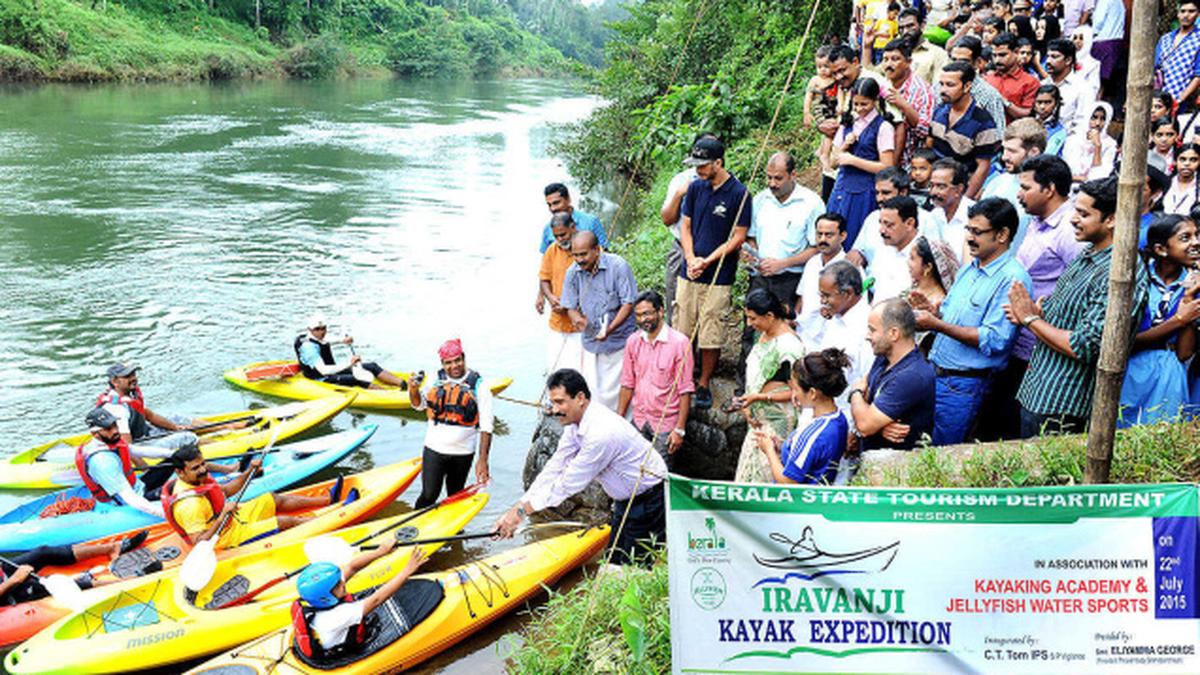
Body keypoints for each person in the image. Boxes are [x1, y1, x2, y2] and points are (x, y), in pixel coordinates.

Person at [1007, 178, 1149, 437]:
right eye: (1075, 210)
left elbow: (1085, 346)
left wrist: (1030, 320)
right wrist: (1038, 314)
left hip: (1064, 403)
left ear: (1112, 219)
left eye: (1083, 214)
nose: (1073, 219)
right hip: (1040, 390)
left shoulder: (1121, 272)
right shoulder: (1087, 253)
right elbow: (1067, 319)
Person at [494, 369, 668, 567]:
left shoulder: (600, 434)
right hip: (624, 500)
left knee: (634, 567)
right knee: (614, 560)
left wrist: (520, 514)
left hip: (648, 499)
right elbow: (555, 466)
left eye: (560, 402)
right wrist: (518, 507)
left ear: (580, 398)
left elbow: (567, 484)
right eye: (552, 402)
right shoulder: (576, 424)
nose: (554, 409)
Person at [978, 153, 1082, 440]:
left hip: (1042, 345)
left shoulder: (1069, 232)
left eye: (1026, 188)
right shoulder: (1035, 221)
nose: (1019, 194)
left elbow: (1078, 289)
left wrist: (1039, 313)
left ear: (1049, 190)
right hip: (1019, 338)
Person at [913, 198, 1032, 445]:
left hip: (965, 385)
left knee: (946, 455)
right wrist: (934, 314)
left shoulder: (1012, 278)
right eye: (968, 229)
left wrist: (937, 325)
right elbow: (948, 315)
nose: (969, 238)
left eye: (977, 232)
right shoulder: (970, 269)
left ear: (1002, 235)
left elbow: (995, 340)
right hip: (937, 374)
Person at [675, 136, 751, 409]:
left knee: (711, 330)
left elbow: (738, 236)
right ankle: (683, 378)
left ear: (718, 163)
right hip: (689, 271)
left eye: (703, 165)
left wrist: (708, 260)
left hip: (718, 274)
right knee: (683, 327)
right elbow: (685, 226)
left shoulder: (739, 193)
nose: (698, 170)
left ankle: (704, 382)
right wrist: (691, 257)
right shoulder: (695, 188)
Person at [162, 443, 342, 547]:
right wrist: (224, 515)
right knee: (284, 522)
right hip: (224, 538)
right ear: (180, 472)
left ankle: (326, 500)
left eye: (203, 464)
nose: (202, 470)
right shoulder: (189, 506)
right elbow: (199, 541)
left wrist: (249, 472)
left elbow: (225, 491)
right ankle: (334, 520)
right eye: (196, 468)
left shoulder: (198, 480)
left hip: (231, 520)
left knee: (272, 498)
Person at [1120, 215, 1200, 427]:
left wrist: (1190, 297)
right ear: (1161, 249)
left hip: (1167, 373)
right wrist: (1178, 320)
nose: (1196, 242)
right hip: (1130, 368)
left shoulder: (1194, 284)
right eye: (1185, 238)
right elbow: (1124, 341)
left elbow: (1184, 353)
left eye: (1197, 235)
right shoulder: (1137, 278)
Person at [730, 289, 807, 484]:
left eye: (753, 318)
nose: (750, 324)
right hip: (758, 422)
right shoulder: (763, 334)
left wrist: (761, 398)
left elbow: (798, 392)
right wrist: (748, 405)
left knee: (765, 478)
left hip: (778, 423)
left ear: (770, 316)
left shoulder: (790, 346)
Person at [293, 545, 428, 655]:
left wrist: (380, 552)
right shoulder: (336, 616)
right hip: (340, 649)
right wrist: (407, 571)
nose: (342, 583)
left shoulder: (317, 599)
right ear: (325, 597)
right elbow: (377, 599)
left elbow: (352, 567)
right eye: (338, 585)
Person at [407, 339, 494, 508]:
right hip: (434, 449)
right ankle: (413, 526)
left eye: (457, 360)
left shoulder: (480, 386)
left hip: (463, 453)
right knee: (429, 494)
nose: (454, 366)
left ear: (464, 358)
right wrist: (413, 390)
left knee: (455, 496)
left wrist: (482, 460)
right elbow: (418, 406)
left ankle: (454, 532)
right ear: (442, 364)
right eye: (448, 363)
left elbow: (486, 426)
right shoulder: (434, 379)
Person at [560, 231, 638, 411]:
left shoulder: (618, 266)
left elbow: (628, 303)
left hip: (619, 340)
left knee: (620, 388)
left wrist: (609, 329)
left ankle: (621, 426)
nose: (579, 259)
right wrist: (577, 319)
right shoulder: (572, 272)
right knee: (593, 390)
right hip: (590, 341)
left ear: (597, 250)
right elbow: (569, 306)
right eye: (575, 255)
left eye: (583, 254)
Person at [752, 349, 852, 485]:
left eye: (795, 389)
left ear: (812, 393)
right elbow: (812, 456)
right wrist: (783, 447)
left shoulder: (812, 435)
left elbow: (788, 483)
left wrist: (769, 450)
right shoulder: (839, 419)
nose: (793, 395)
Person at [618, 290, 695, 465]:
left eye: (647, 313)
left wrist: (680, 430)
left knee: (660, 475)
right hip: (639, 420)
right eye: (638, 315)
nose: (642, 320)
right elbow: (627, 383)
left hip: (665, 425)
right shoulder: (633, 341)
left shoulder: (680, 343)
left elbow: (685, 389)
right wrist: (620, 420)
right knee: (635, 472)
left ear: (661, 312)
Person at [849, 298, 937, 450]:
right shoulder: (883, 357)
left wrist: (854, 392)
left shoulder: (912, 376)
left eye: (872, 330)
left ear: (894, 334)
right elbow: (868, 399)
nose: (867, 336)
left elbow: (864, 425)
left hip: (897, 468)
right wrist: (879, 426)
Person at [746, 151, 823, 309]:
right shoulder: (760, 200)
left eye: (778, 178)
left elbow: (817, 248)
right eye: (769, 177)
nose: (772, 183)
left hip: (792, 279)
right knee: (753, 327)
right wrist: (753, 255)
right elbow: (751, 237)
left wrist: (783, 264)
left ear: (792, 175)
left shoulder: (811, 203)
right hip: (760, 277)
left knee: (785, 327)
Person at [76, 406, 185, 518]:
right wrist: (165, 514)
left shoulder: (111, 441)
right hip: (130, 500)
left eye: (115, 425)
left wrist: (174, 454)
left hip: (137, 486)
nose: (115, 431)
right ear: (95, 434)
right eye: (108, 429)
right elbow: (131, 499)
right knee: (183, 487)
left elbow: (138, 450)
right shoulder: (103, 462)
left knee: (175, 459)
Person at [829, 77, 897, 248]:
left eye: (864, 104)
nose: (859, 109)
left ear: (875, 101)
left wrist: (853, 160)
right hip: (842, 187)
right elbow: (833, 161)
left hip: (865, 190)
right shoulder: (847, 123)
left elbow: (887, 166)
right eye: (856, 104)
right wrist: (845, 145)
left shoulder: (883, 127)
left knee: (856, 238)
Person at [0, 532, 147, 605]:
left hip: (3, 573)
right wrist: (14, 580)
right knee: (61, 585)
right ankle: (134, 579)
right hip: (6, 592)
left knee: (43, 552)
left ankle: (113, 548)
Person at [660, 133, 714, 322]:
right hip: (681, 249)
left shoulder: (727, 185)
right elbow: (667, 219)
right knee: (676, 302)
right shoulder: (681, 180)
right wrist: (680, 194)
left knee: (707, 309)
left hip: (711, 252)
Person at [929, 61, 1001, 199]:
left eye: (950, 85)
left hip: (959, 188)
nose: (943, 90)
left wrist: (965, 199)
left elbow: (983, 167)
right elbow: (930, 144)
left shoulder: (983, 122)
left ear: (967, 86)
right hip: (935, 185)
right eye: (941, 84)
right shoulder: (939, 111)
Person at [813, 261, 874, 411]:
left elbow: (869, 381)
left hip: (848, 416)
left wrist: (854, 430)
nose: (823, 302)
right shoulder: (835, 317)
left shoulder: (867, 326)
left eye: (827, 296)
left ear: (847, 294)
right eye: (821, 295)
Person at [97, 362, 198, 451]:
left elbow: (150, 415)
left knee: (178, 419)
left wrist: (175, 427)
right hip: (140, 444)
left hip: (146, 431)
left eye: (133, 374)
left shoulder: (128, 394)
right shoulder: (117, 409)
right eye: (127, 376)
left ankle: (213, 429)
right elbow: (127, 446)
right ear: (115, 382)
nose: (133, 378)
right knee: (187, 437)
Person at [294, 316, 407, 389]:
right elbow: (323, 371)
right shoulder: (308, 347)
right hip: (321, 378)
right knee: (358, 378)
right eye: (317, 329)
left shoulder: (314, 337)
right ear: (310, 330)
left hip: (332, 371)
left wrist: (342, 341)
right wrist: (350, 364)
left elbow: (323, 341)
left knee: (372, 366)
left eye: (323, 328)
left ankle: (402, 384)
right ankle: (391, 395)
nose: (322, 332)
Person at [982, 117, 1046, 241]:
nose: (1004, 157)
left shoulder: (1046, 194)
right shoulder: (997, 183)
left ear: (1034, 152)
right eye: (1004, 149)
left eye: (1012, 151)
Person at [876, 38, 937, 166]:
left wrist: (904, 105)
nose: (888, 65)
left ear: (908, 62)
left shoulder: (921, 90)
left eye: (895, 59)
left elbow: (925, 131)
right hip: (881, 158)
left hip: (909, 164)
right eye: (885, 59)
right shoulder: (882, 85)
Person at [537, 212, 584, 373]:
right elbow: (544, 278)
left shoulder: (587, 249)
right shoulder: (552, 250)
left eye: (563, 234)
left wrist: (570, 305)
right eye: (556, 236)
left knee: (580, 373)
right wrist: (550, 298)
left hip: (581, 323)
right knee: (556, 370)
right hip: (557, 323)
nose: (560, 240)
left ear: (573, 228)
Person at [795, 213, 850, 345]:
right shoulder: (812, 263)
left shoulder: (849, 268)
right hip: (804, 335)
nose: (822, 239)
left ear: (842, 236)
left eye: (829, 235)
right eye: (819, 234)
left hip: (831, 339)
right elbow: (802, 297)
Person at [907, 235, 961, 353]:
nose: (908, 262)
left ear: (928, 267)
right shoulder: (913, 290)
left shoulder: (940, 302)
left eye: (912, 258)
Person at [944, 35, 1009, 133]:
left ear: (978, 62)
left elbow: (998, 134)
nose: (957, 66)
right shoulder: (939, 87)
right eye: (953, 60)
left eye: (963, 61)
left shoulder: (989, 96)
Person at [868, 195, 925, 302]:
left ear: (909, 223)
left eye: (889, 225)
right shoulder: (883, 248)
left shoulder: (925, 255)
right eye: (881, 223)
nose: (882, 231)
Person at [1040, 38, 1092, 135]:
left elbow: (1082, 125)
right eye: (1048, 56)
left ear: (1068, 60)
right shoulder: (1042, 85)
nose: (1048, 61)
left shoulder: (1083, 88)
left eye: (1054, 57)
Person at [929, 158, 976, 263]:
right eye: (931, 186)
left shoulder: (975, 217)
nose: (933, 192)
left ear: (958, 190)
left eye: (941, 187)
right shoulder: (934, 215)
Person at [537, 183, 607, 254]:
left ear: (568, 199)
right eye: (549, 205)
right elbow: (546, 258)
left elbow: (604, 252)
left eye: (556, 203)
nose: (553, 208)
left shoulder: (591, 222)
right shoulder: (548, 229)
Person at [1155, 1, 1200, 109]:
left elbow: (1198, 75)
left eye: (1191, 11)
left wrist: (1180, 99)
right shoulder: (1165, 38)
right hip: (1157, 97)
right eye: (1183, 11)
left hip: (1180, 97)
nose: (1186, 15)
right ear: (1178, 14)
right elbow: (1155, 66)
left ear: (1198, 14)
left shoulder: (1198, 39)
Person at [985, 32, 1039, 121]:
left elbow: (1028, 115)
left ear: (1016, 52)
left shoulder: (1031, 82)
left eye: (1002, 55)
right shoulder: (987, 79)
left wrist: (1003, 102)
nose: (997, 60)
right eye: (994, 55)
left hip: (1014, 133)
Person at [1061, 102, 1117, 183]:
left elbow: (1100, 176)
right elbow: (1066, 172)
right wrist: (1081, 179)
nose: (1098, 123)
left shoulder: (1110, 144)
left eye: (1102, 119)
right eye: (1094, 118)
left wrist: (1098, 147)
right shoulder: (1073, 140)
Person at [1089, 0, 1125, 99]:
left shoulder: (1105, 1)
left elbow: (1098, 23)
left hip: (1103, 41)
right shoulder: (1119, 2)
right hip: (1116, 42)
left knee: (1098, 80)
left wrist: (1092, 34)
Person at [804, 47, 840, 128]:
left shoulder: (836, 78)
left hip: (835, 110)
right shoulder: (815, 80)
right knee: (828, 126)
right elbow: (808, 96)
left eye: (826, 66)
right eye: (819, 67)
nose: (822, 70)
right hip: (820, 112)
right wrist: (807, 111)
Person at [1165, 143, 1200, 216]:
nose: (1187, 163)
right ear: (1175, 161)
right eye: (1182, 159)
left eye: (1193, 160)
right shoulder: (1165, 183)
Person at [1034, 84, 1068, 156]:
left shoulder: (1059, 131)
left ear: (1056, 104)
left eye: (1047, 102)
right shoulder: (1027, 124)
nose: (1042, 107)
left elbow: (1049, 155)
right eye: (1039, 102)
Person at [1069, 25, 1101, 94]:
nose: (1077, 41)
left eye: (1081, 38)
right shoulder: (1066, 60)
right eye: (1075, 38)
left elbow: (1094, 87)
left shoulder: (1093, 64)